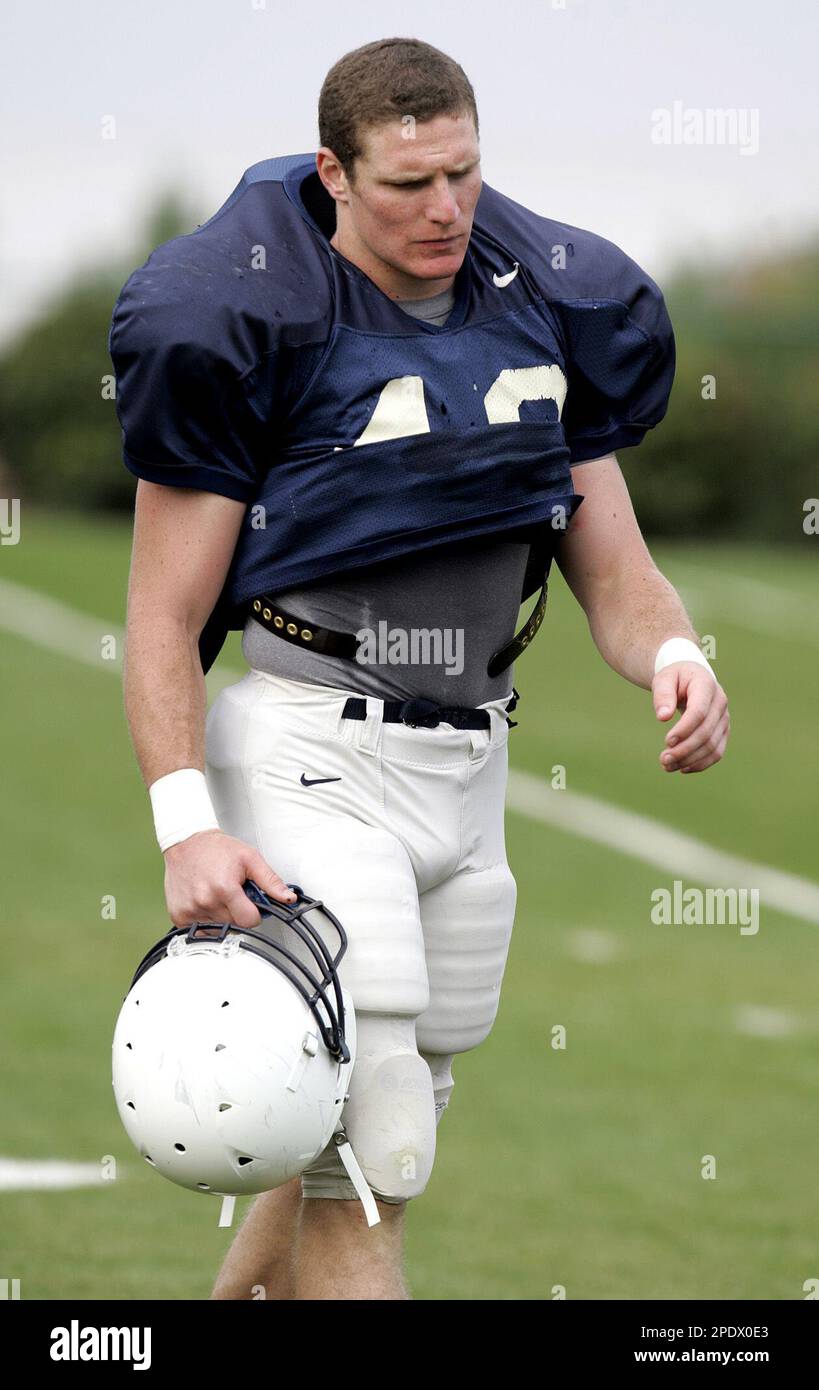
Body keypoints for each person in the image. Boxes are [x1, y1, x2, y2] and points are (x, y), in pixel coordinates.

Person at [110, 36, 730, 1301]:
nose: (445, 208)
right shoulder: (254, 323)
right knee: (381, 1132)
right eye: (407, 184)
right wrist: (184, 822)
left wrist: (673, 652)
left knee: (345, 1113)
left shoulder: (540, 306)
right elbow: (162, 616)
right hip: (309, 749)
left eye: (463, 172)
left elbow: (614, 573)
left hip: (469, 763)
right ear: (334, 173)